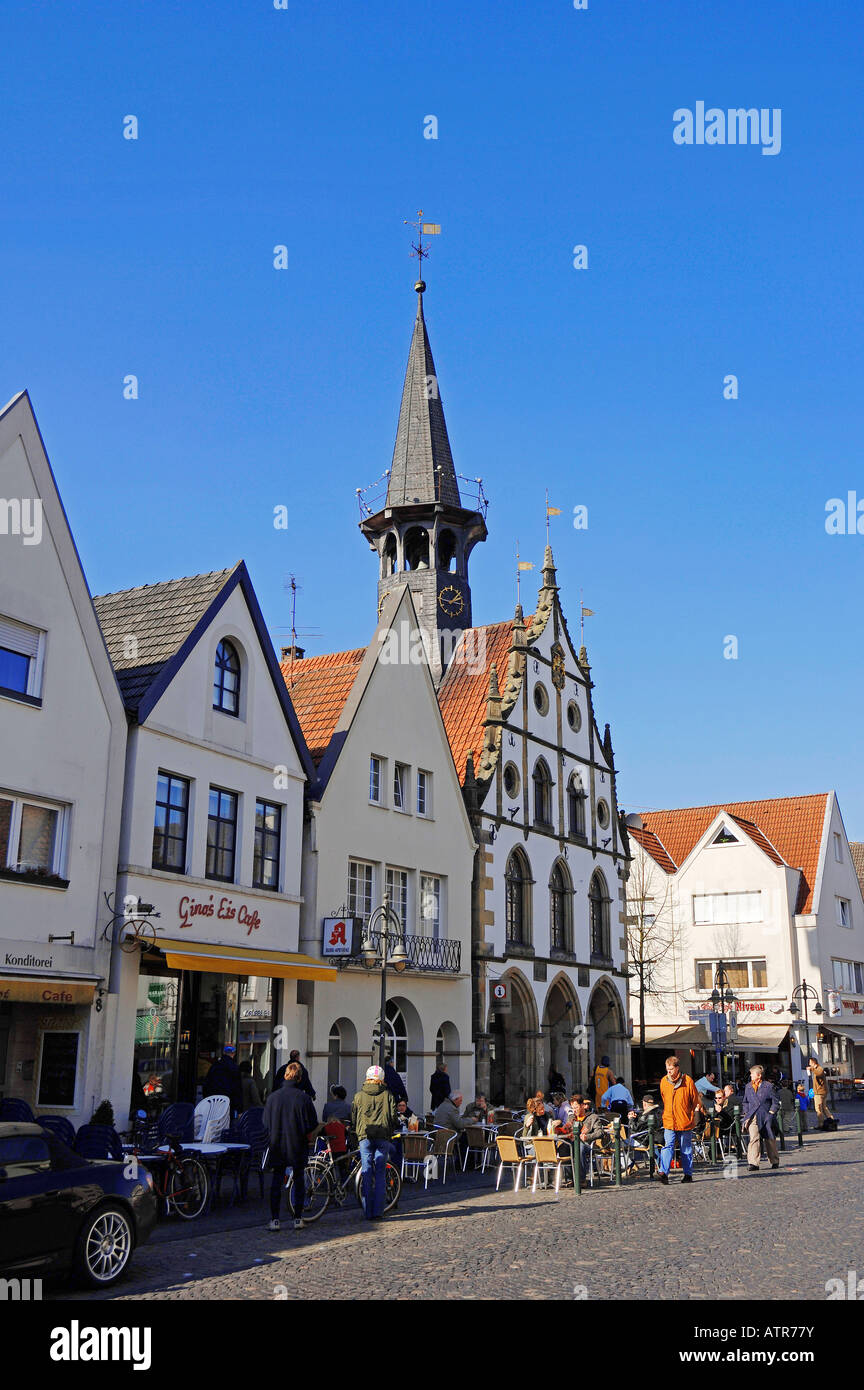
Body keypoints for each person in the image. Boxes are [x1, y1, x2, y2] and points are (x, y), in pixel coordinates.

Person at [263, 1061, 319, 1231]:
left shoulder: (273, 1098)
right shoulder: (303, 1098)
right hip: (297, 1143)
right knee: (299, 1179)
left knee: (276, 1181)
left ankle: (275, 1220)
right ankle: (297, 1218)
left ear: (285, 1076)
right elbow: (312, 1123)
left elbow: (265, 1123)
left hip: (277, 1143)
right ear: (300, 1078)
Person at [352, 1065, 398, 1220]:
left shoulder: (359, 1096)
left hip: (364, 1137)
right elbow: (393, 1117)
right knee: (380, 1175)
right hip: (383, 1137)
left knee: (366, 1172)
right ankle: (378, 1211)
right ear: (382, 1079)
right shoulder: (388, 1095)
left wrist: (356, 1130)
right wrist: (390, 1130)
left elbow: (354, 1116)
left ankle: (367, 1210)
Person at [658, 1055, 707, 1185]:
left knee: (685, 1149)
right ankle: (663, 1172)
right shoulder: (664, 1081)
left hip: (684, 1120)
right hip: (669, 1120)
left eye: (671, 1069)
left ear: (677, 1068)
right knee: (668, 1146)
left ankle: (687, 1174)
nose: (669, 1072)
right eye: (667, 1069)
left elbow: (695, 1100)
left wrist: (690, 1112)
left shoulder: (688, 1081)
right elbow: (664, 1098)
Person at [741, 1064, 780, 1171]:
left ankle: (774, 1160)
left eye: (752, 1074)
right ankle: (753, 1163)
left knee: (769, 1139)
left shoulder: (768, 1086)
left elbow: (775, 1102)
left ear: (758, 1075)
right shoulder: (748, 1086)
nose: (751, 1076)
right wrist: (746, 1112)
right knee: (754, 1138)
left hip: (766, 1115)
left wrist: (771, 1113)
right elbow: (745, 1101)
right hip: (752, 1116)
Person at [203, 1044, 243, 1116]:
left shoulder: (215, 1066)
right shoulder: (235, 1068)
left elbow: (206, 1085)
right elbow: (237, 1089)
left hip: (214, 1103)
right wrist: (239, 1108)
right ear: (233, 1054)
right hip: (228, 1104)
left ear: (224, 1053)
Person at [807, 1057, 837, 1128]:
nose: (809, 1064)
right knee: (824, 1107)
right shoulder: (816, 1069)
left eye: (810, 1063)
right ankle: (831, 1120)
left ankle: (821, 1124)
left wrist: (811, 1069)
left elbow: (819, 1073)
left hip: (819, 1093)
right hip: (820, 1092)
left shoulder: (819, 1068)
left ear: (813, 1063)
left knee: (818, 1109)